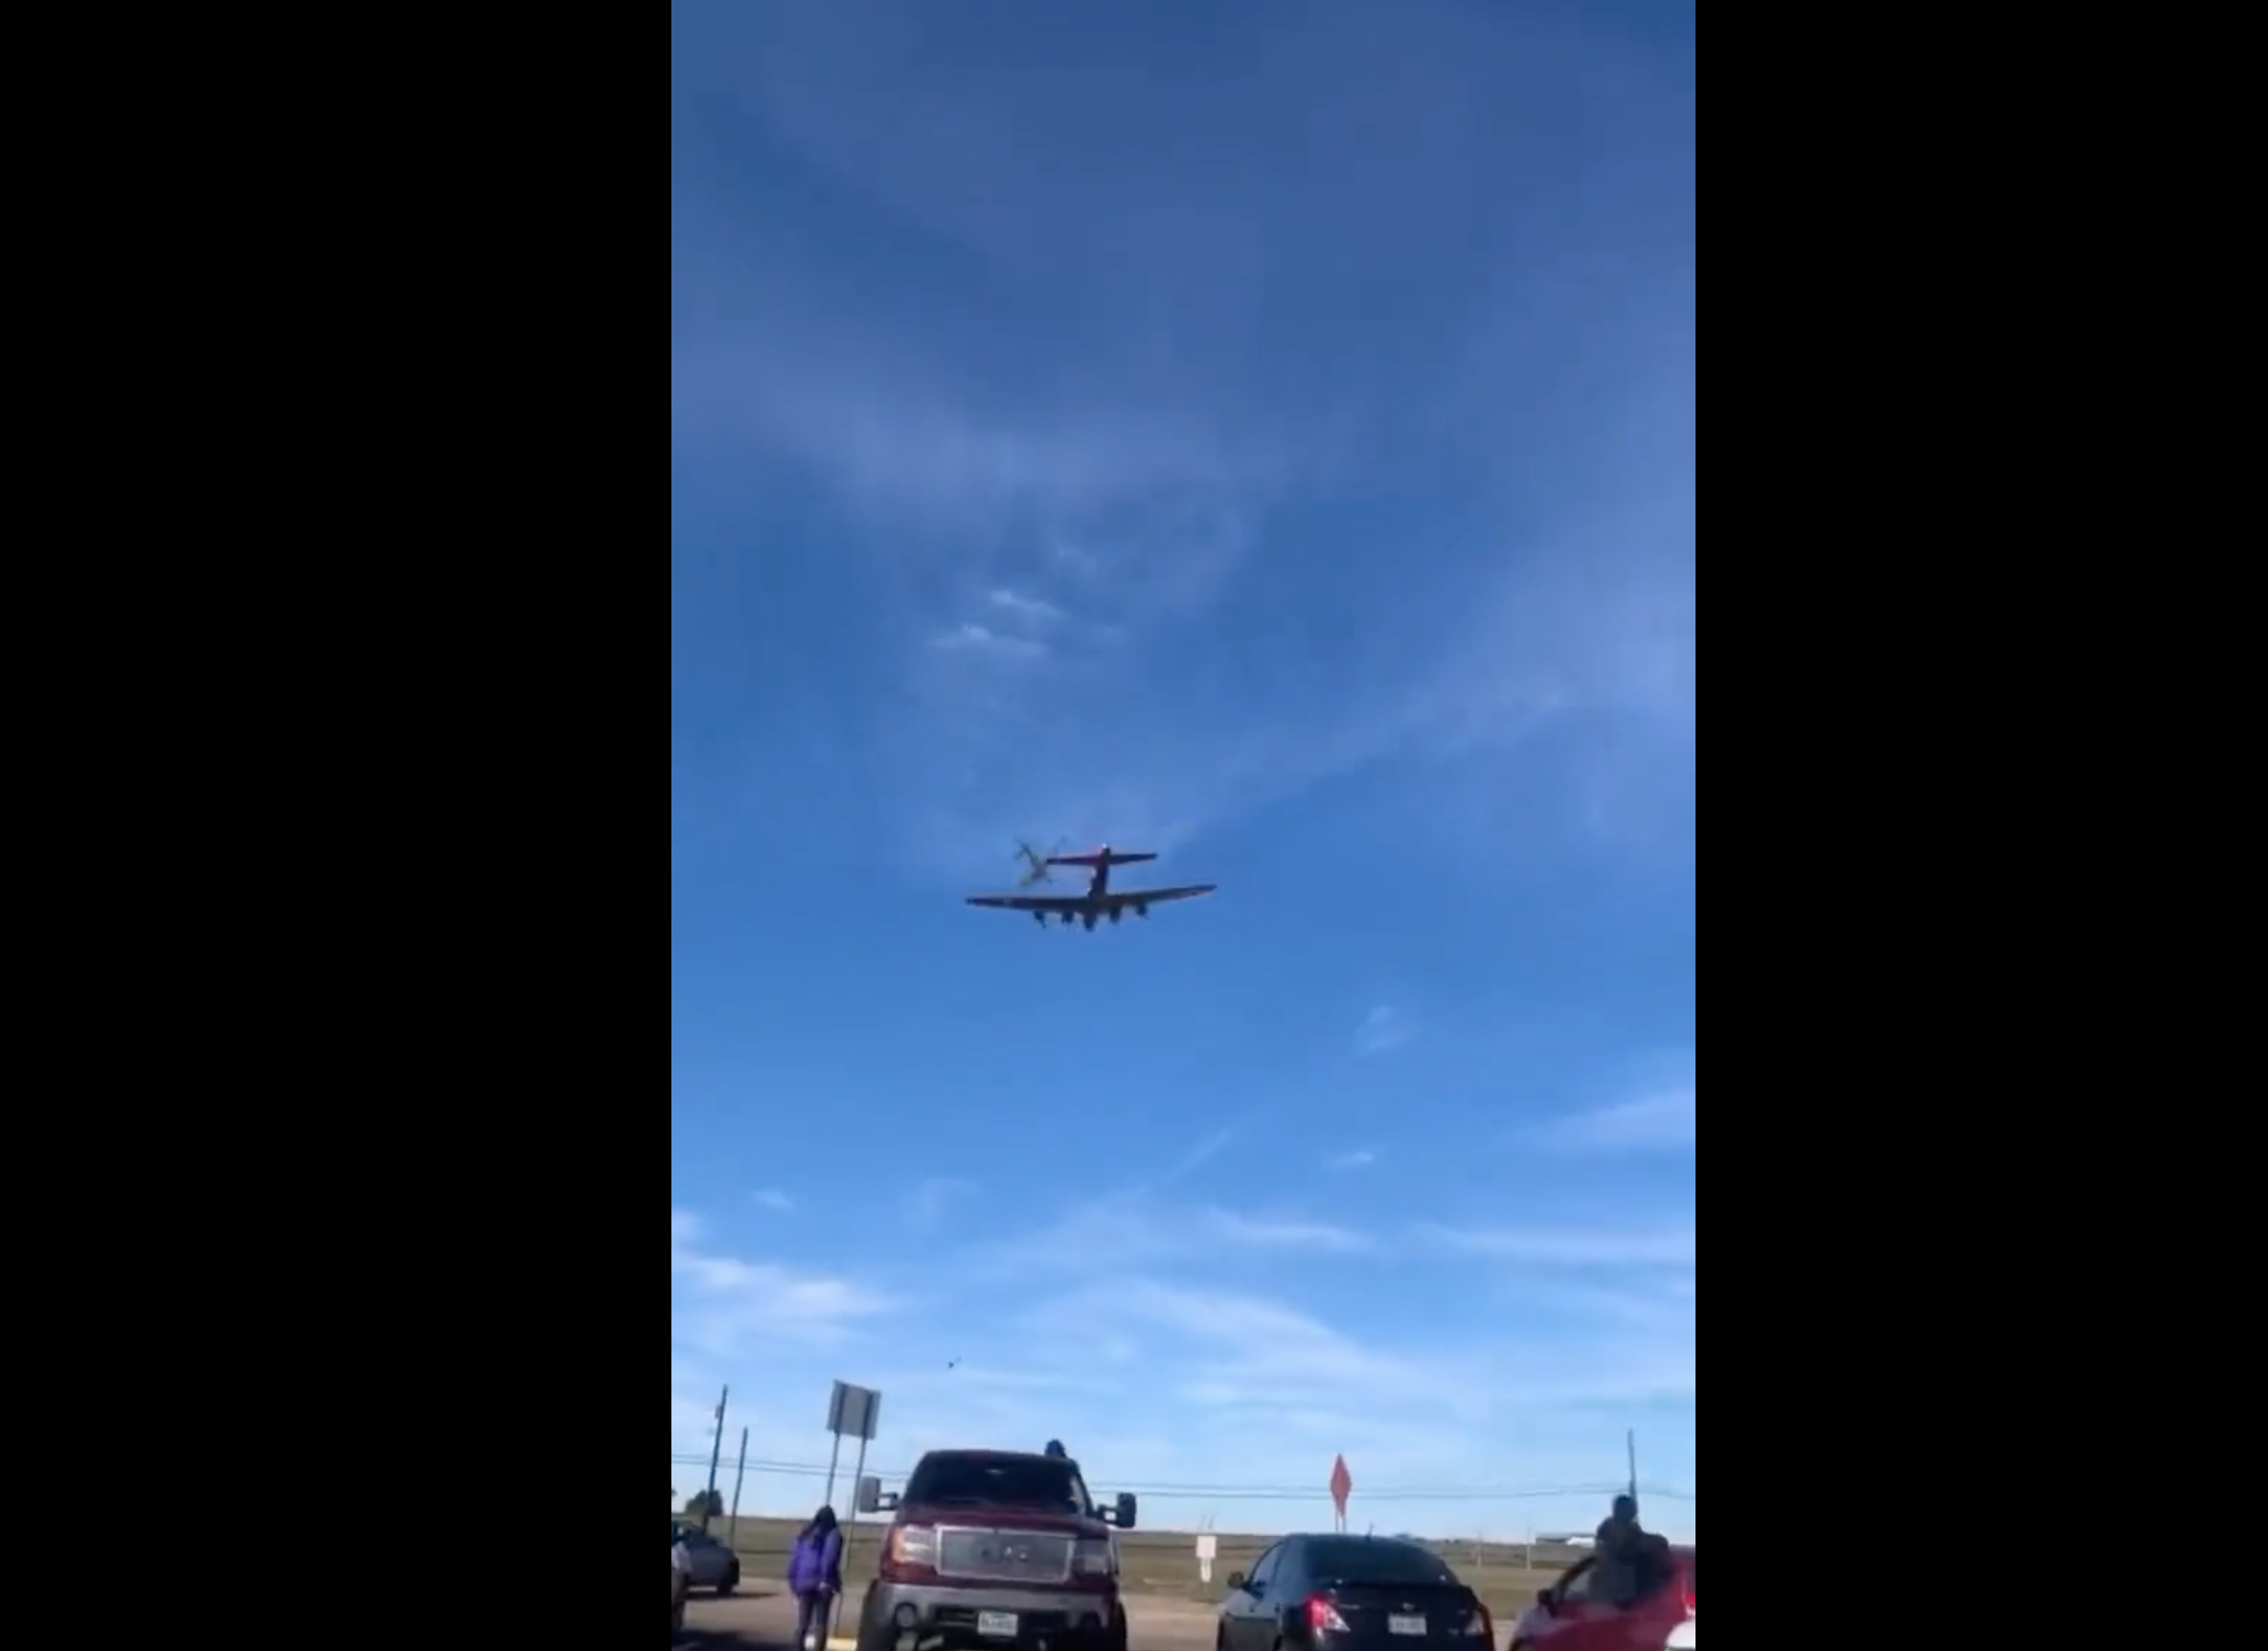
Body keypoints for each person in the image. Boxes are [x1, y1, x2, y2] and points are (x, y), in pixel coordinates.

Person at [788, 1505, 845, 1651]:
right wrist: (827, 1580)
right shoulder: (833, 1534)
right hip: (822, 1583)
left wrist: (793, 1584)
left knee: (803, 1623)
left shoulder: (804, 1535)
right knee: (820, 1624)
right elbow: (830, 1558)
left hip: (803, 1582)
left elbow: (795, 1560)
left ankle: (797, 1648)